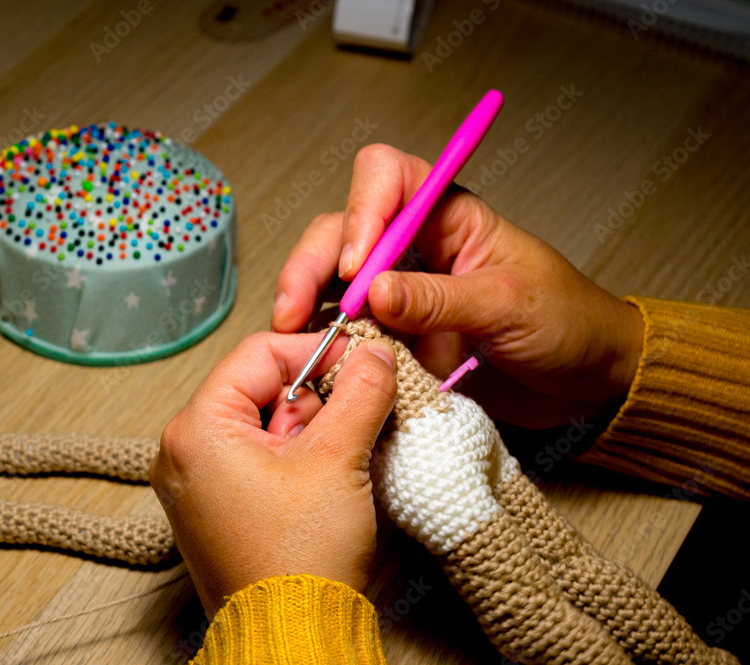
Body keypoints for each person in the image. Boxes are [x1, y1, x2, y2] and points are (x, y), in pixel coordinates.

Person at [148, 144, 750, 663]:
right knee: (561, 588)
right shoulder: (425, 418)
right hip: (467, 461)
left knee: (552, 596)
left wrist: (282, 605)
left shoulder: (400, 416)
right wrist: (620, 355)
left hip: (462, 476)